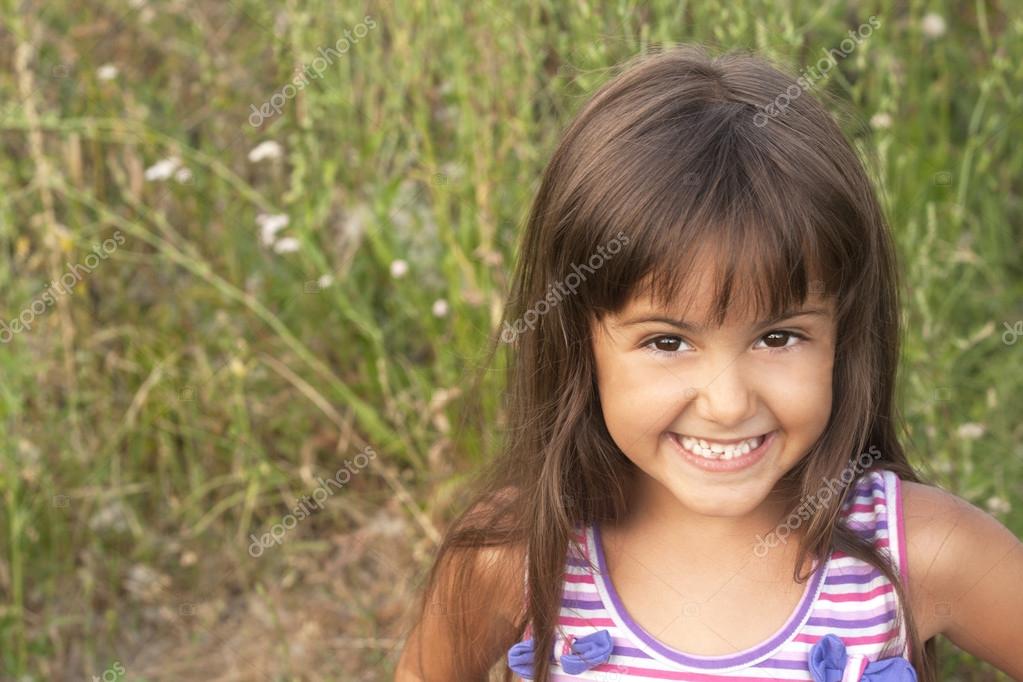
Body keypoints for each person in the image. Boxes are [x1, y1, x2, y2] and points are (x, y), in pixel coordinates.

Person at [393, 43, 1023, 681]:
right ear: (579, 341)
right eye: (667, 342)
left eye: (777, 337)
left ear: (843, 333)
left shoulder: (921, 550)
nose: (727, 403)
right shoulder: (519, 554)